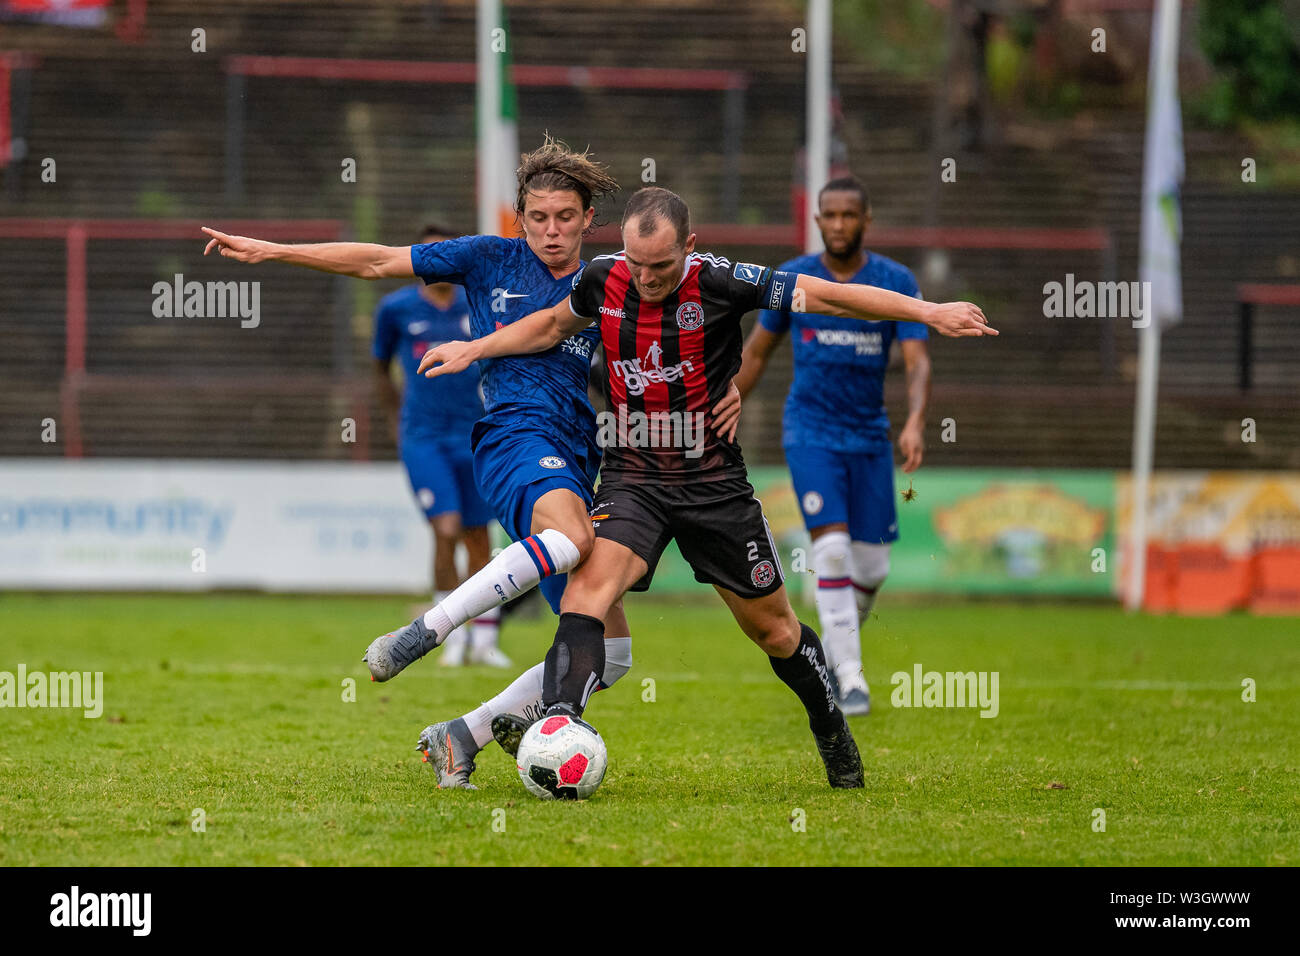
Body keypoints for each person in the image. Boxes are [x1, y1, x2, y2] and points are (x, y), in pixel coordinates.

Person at [203, 141, 741, 788]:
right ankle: (429, 630)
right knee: (572, 538)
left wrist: (724, 384)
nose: (551, 230)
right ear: (519, 217)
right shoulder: (488, 257)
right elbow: (378, 261)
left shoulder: (612, 278)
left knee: (611, 652)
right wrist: (274, 250)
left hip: (579, 452)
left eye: (565, 217)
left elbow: (683, 335)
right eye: (537, 217)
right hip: (513, 432)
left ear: (589, 215)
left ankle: (460, 735)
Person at [418, 186, 995, 789]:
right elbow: (548, 324)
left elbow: (832, 298)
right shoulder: (602, 278)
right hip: (633, 476)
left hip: (713, 482)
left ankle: (830, 725)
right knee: (585, 595)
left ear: (689, 248)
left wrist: (927, 312)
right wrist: (475, 347)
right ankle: (559, 725)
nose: (644, 278)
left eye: (660, 266)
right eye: (635, 263)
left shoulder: (725, 283)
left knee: (775, 631)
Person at [734, 175, 929, 714]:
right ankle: (849, 679)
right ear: (817, 220)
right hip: (810, 432)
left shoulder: (895, 280)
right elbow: (757, 353)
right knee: (833, 551)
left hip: (869, 437)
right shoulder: (794, 279)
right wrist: (720, 408)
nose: (839, 224)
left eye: (849, 215)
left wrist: (915, 420)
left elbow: (918, 360)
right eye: (830, 215)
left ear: (866, 220)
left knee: (871, 567)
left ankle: (837, 634)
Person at [372, 223, 506, 667]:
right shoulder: (395, 309)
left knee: (479, 537)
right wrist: (396, 421)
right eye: (430, 257)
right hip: (423, 437)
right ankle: (447, 635)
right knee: (445, 530)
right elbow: (379, 368)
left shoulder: (479, 301)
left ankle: (485, 642)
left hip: (475, 434)